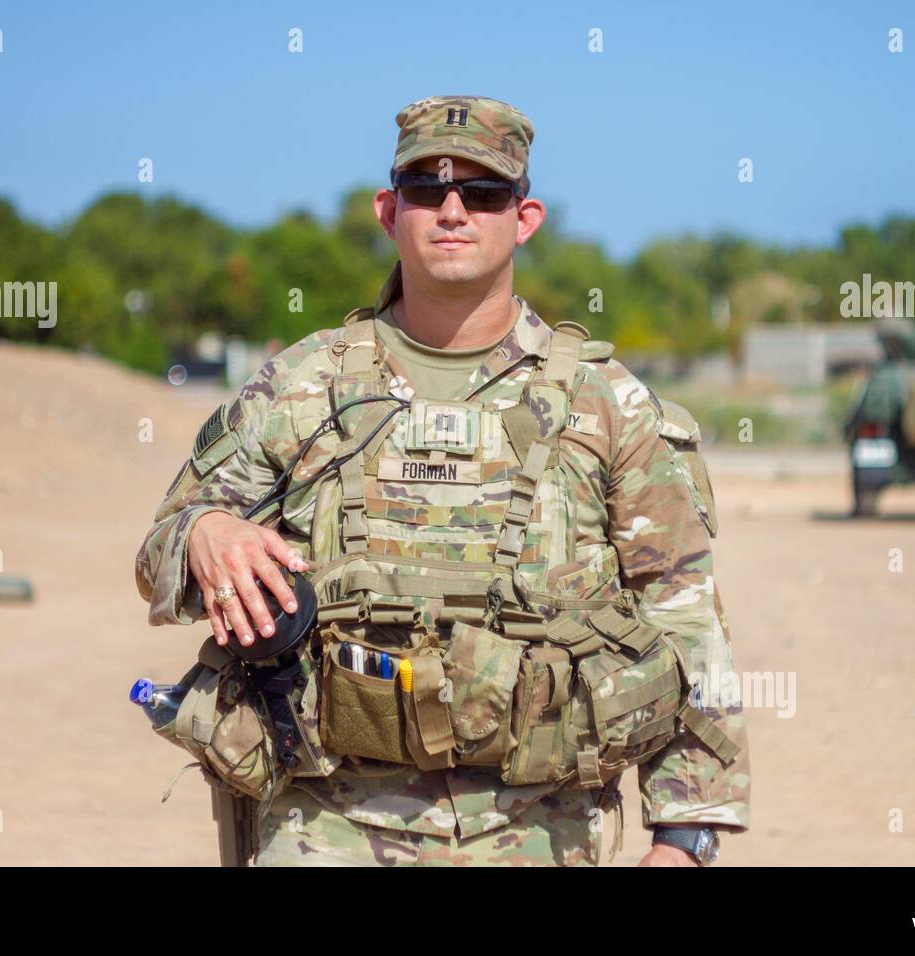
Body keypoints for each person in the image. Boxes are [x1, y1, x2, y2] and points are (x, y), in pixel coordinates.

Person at [135, 95, 750, 867]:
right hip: (322, 828)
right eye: (428, 188)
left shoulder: (608, 405)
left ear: (524, 218)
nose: (453, 210)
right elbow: (159, 551)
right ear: (389, 211)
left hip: (543, 831)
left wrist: (685, 839)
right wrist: (204, 533)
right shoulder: (297, 387)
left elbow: (684, 616)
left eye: (483, 193)